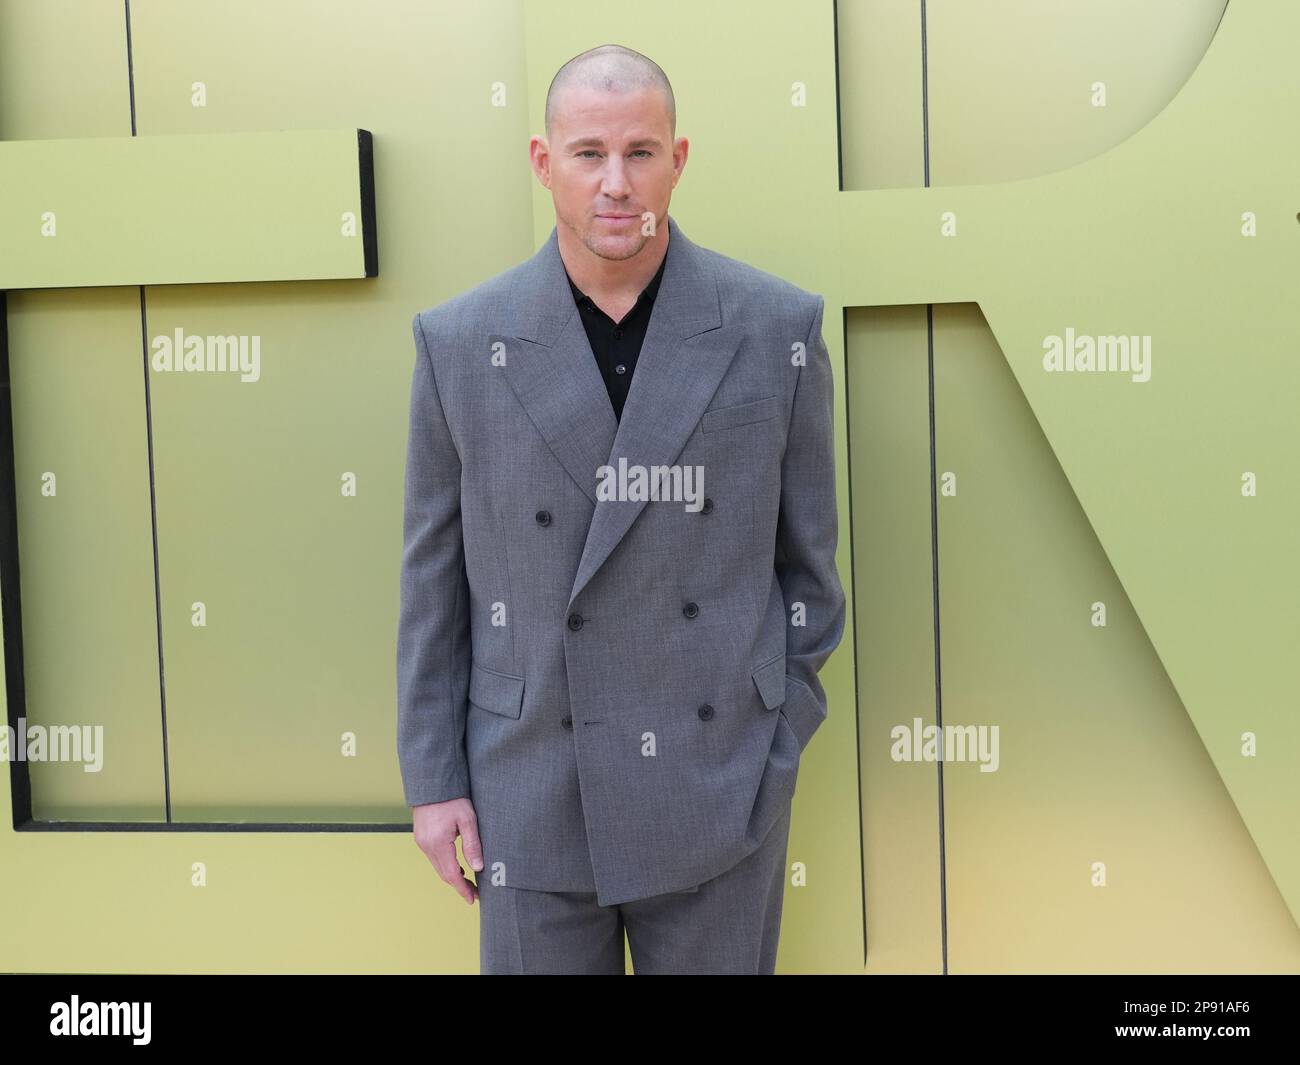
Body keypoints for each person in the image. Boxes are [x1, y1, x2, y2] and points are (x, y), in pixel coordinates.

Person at [397, 43, 845, 974]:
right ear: (542, 161)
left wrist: (776, 734)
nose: (615, 183)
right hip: (530, 787)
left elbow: (810, 573)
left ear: (678, 160)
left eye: (641, 152)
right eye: (588, 152)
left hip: (718, 787)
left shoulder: (775, 329)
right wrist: (435, 781)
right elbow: (433, 581)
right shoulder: (460, 343)